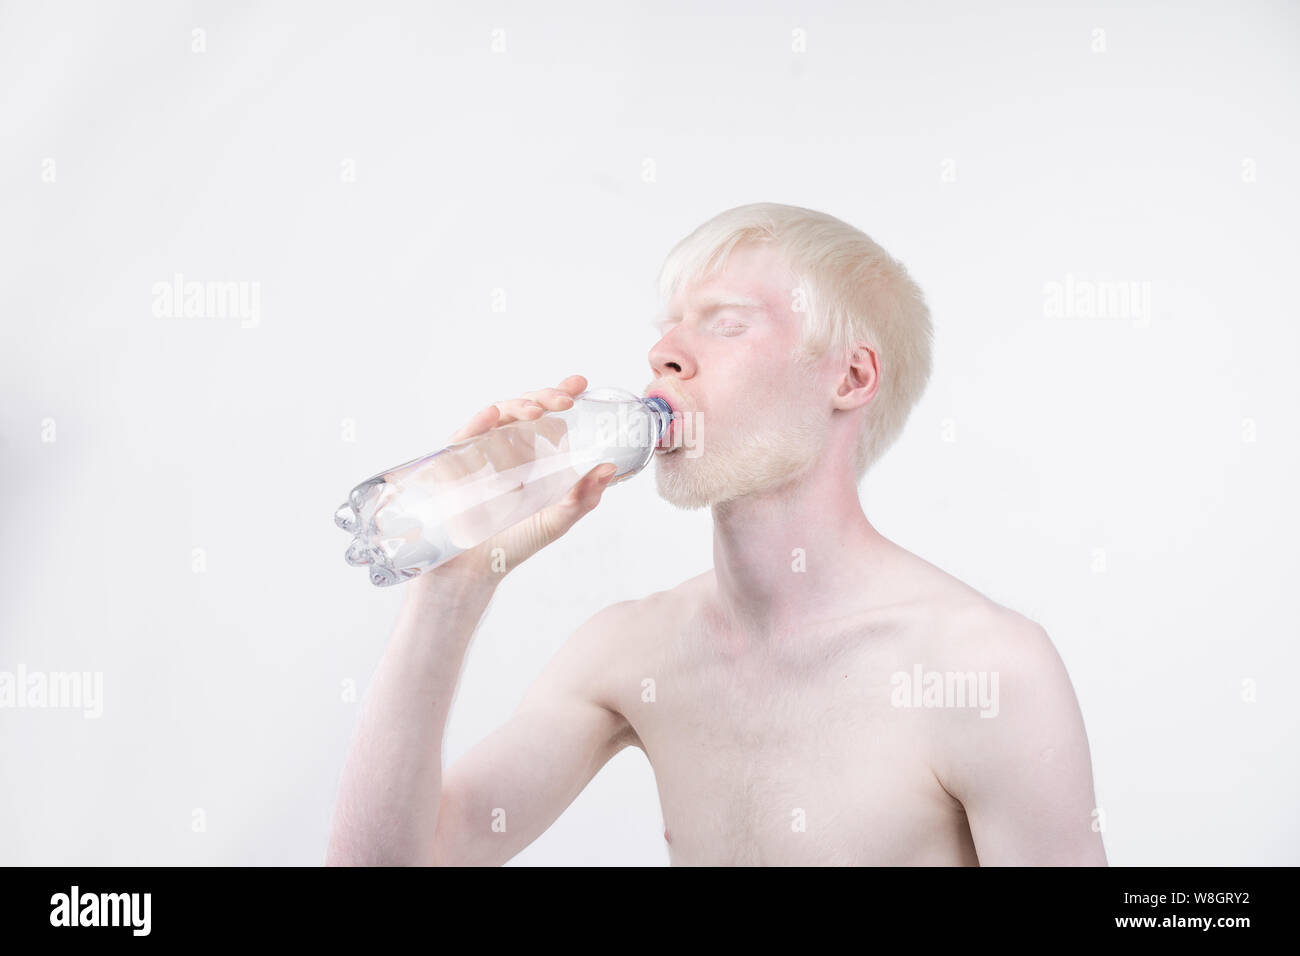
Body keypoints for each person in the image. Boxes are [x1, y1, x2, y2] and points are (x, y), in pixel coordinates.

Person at [326, 202, 1108, 866]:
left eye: (725, 325)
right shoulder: (630, 652)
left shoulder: (986, 669)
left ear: (850, 378)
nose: (663, 355)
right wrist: (455, 585)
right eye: (668, 330)